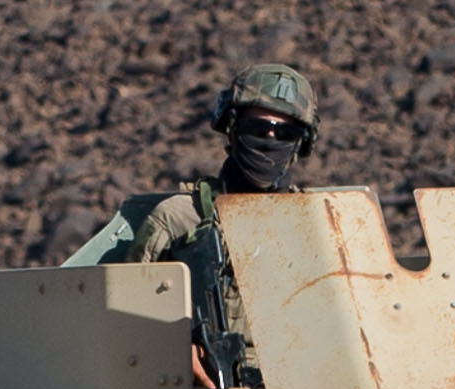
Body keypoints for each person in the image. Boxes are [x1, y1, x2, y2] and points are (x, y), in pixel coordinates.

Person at [62, 62, 322, 267]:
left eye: (286, 134)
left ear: (301, 143)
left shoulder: (321, 225)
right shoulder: (177, 219)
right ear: (232, 128)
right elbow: (129, 318)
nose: (270, 139)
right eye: (257, 127)